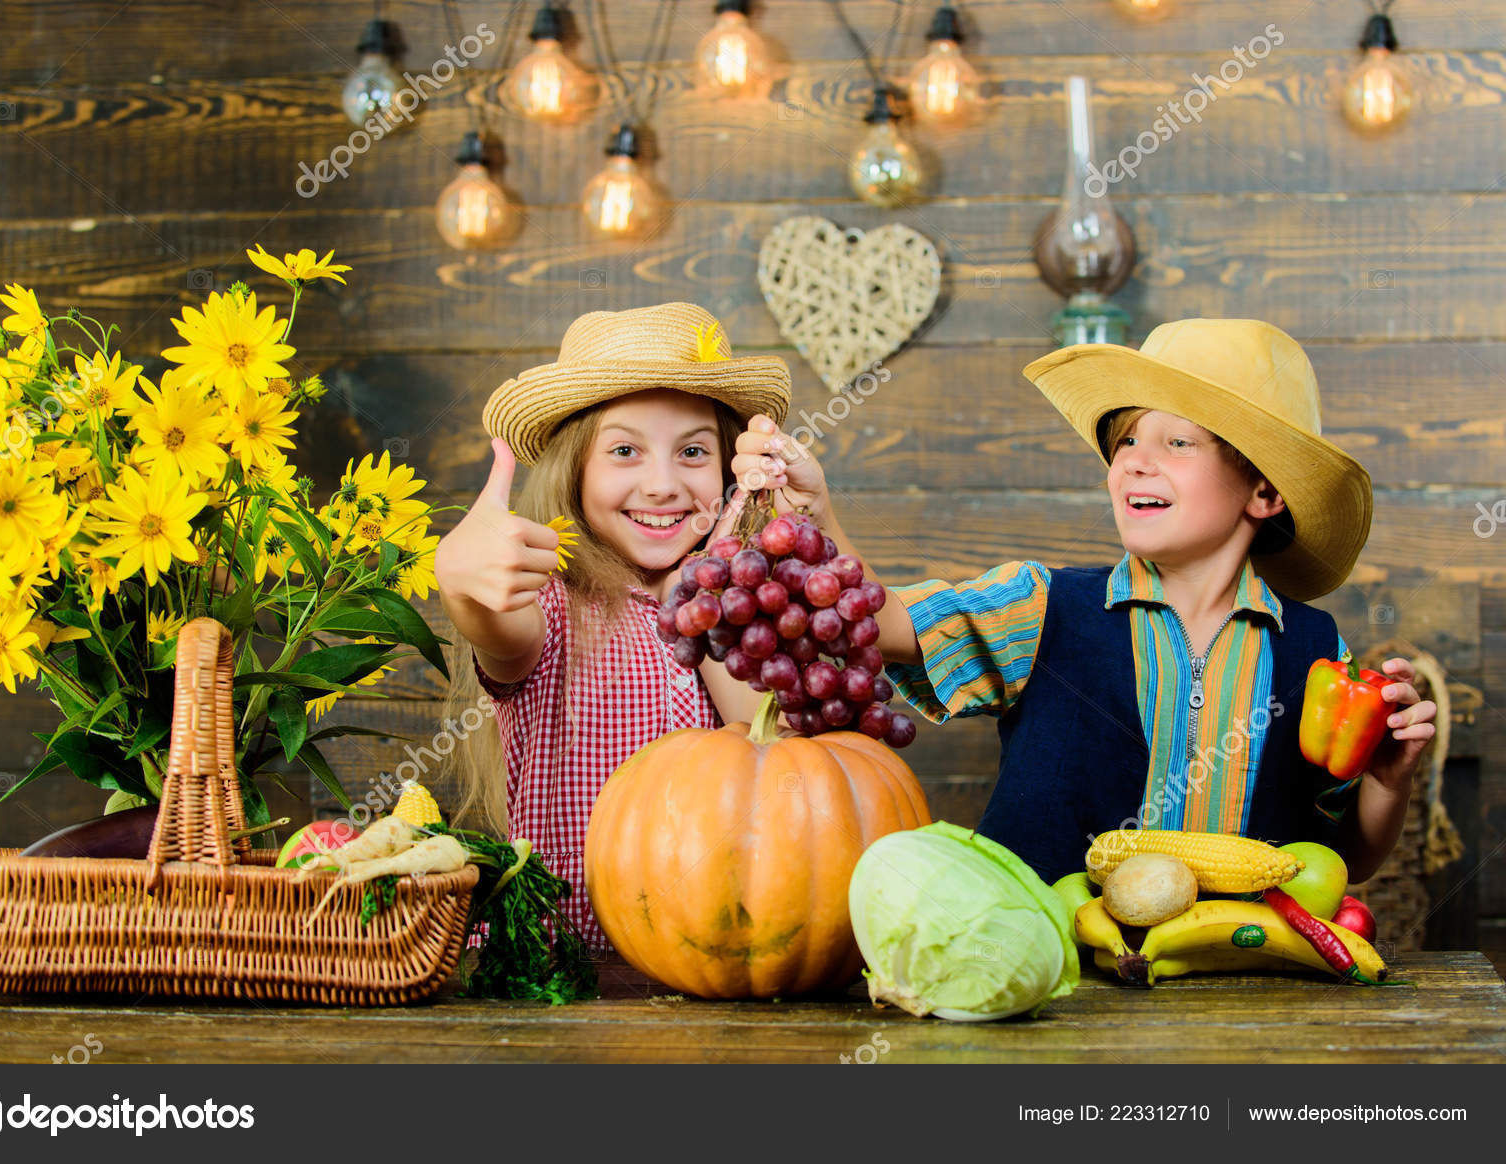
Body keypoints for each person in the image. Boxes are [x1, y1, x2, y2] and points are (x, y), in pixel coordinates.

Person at [727, 318, 1437, 885]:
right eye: (1127, 439)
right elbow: (882, 622)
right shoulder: (1040, 606)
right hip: (1047, 994)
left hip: (1236, 1003)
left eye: (1177, 441)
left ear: (1264, 493)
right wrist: (819, 516)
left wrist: (1388, 785)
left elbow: (1345, 862)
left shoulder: (1319, 656)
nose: (1133, 458)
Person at [432, 303, 787, 948]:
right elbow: (500, 632)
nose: (661, 483)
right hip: (562, 970)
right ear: (577, 469)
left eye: (693, 452)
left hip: (707, 966)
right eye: (624, 450)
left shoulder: (746, 611)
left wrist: (713, 582)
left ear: (730, 469)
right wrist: (460, 579)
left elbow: (764, 746)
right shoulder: (551, 605)